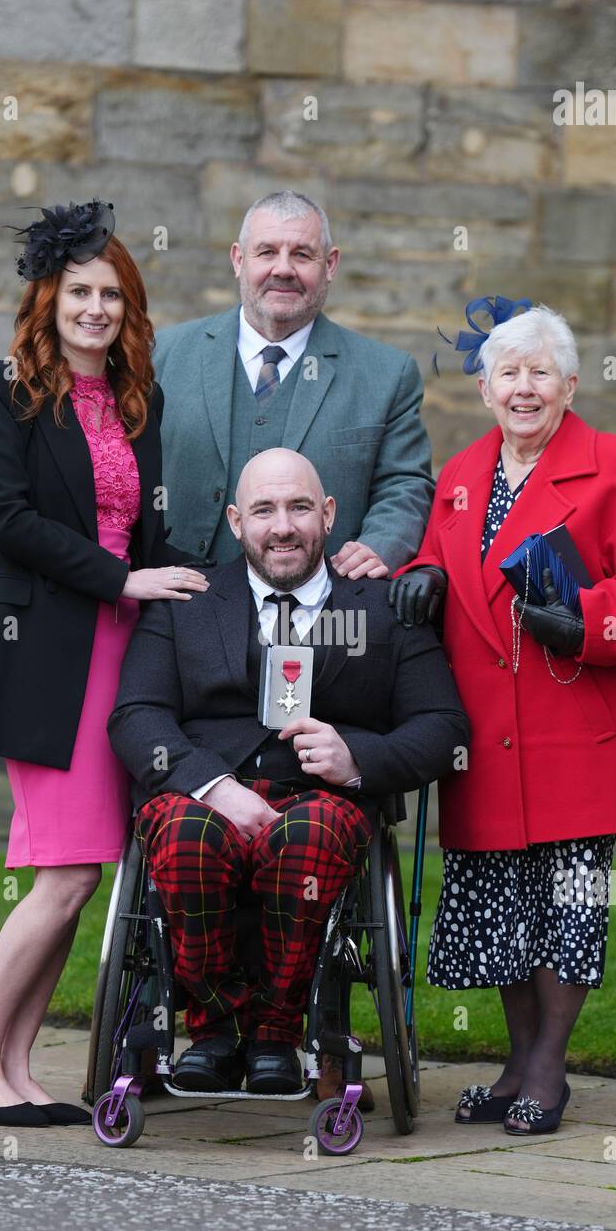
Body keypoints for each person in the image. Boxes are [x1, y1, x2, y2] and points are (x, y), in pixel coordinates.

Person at [389, 300, 616, 1135]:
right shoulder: (457, 476)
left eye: (539, 373)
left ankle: (548, 1073)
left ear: (568, 384)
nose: (523, 389)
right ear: (483, 388)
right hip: (480, 731)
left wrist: (587, 620)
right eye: (506, 374)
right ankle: (516, 1064)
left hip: (571, 723)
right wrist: (418, 573)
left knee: (565, 908)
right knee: (499, 911)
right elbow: (448, 562)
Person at [0, 200, 209, 1129]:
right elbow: (5, 521)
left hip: (119, 646)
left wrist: (192, 584)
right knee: (64, 873)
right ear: (49, 299)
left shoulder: (138, 400)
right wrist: (126, 578)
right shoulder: (4, 386)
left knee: (78, 870)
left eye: (111, 294)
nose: (94, 308)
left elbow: (147, 528)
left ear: (128, 309)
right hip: (42, 648)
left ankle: (13, 1064)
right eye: (78, 291)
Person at [108, 449, 468, 1097]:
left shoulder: (383, 607)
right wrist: (213, 786)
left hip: (323, 798)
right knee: (190, 839)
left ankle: (276, 1032)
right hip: (203, 789)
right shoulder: (185, 600)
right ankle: (213, 1029)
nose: (283, 526)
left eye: (299, 507)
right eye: (265, 510)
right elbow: (136, 715)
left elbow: (442, 725)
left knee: (306, 840)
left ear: (327, 515)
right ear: (236, 520)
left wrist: (360, 759)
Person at [151, 189, 435, 579]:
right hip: (180, 604)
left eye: (302, 254)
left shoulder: (387, 374)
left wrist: (379, 545)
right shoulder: (161, 355)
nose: (283, 269)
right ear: (238, 259)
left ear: (330, 265)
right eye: (266, 252)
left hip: (324, 611)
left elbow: (404, 484)